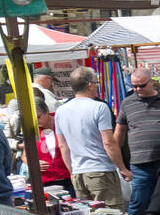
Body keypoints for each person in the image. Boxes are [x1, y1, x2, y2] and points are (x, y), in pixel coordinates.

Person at [54, 67, 130, 207]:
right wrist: (122, 168)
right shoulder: (99, 107)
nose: (97, 86)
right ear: (90, 85)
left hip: (78, 173)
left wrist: (72, 171)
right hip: (100, 170)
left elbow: (62, 145)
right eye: (96, 83)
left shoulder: (60, 110)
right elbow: (108, 142)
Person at [114, 68, 160, 215]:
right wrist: (120, 164)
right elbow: (119, 134)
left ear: (151, 82)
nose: (137, 89)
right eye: (134, 86)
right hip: (141, 164)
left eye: (141, 85)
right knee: (139, 203)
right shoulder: (127, 103)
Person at [33, 98, 73, 193]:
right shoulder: (33, 129)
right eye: (33, 118)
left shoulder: (62, 122)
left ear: (46, 111)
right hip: (46, 181)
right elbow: (25, 155)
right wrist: (35, 163)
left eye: (38, 117)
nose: (36, 121)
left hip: (67, 178)